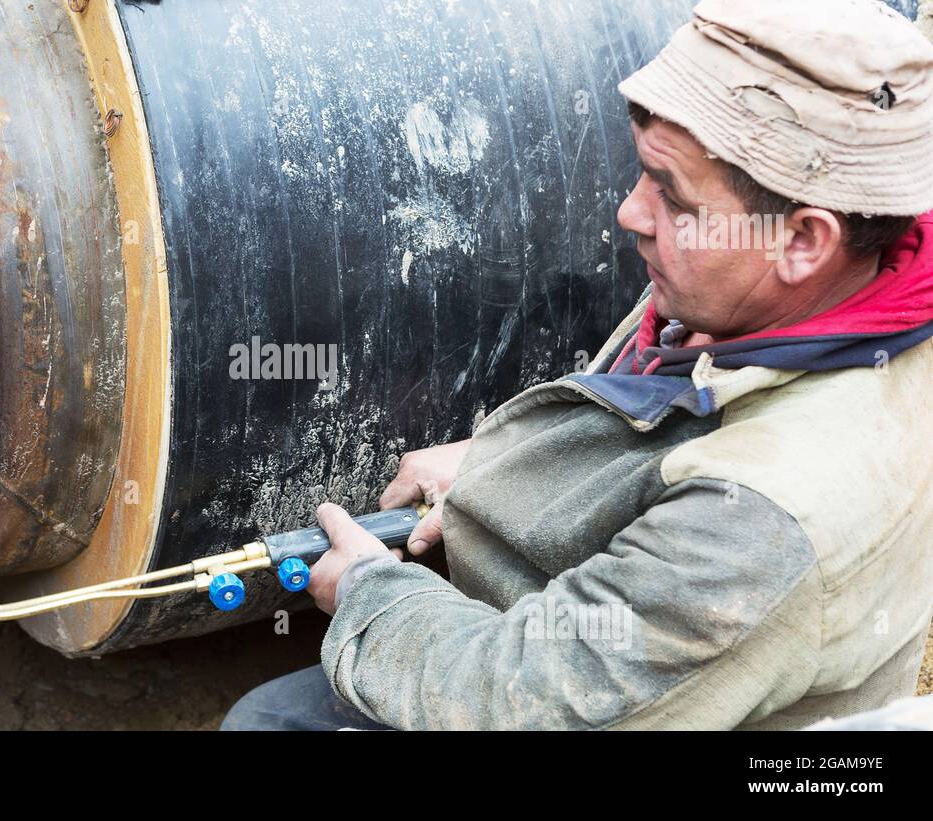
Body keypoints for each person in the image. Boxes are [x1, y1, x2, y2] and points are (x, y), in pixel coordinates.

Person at [223, 0, 933, 731]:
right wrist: (498, 460)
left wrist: (370, 592)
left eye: (674, 197)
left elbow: (512, 700)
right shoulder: (801, 289)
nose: (630, 212)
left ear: (805, 241)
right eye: (643, 172)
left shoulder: (761, 527)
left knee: (270, 723)